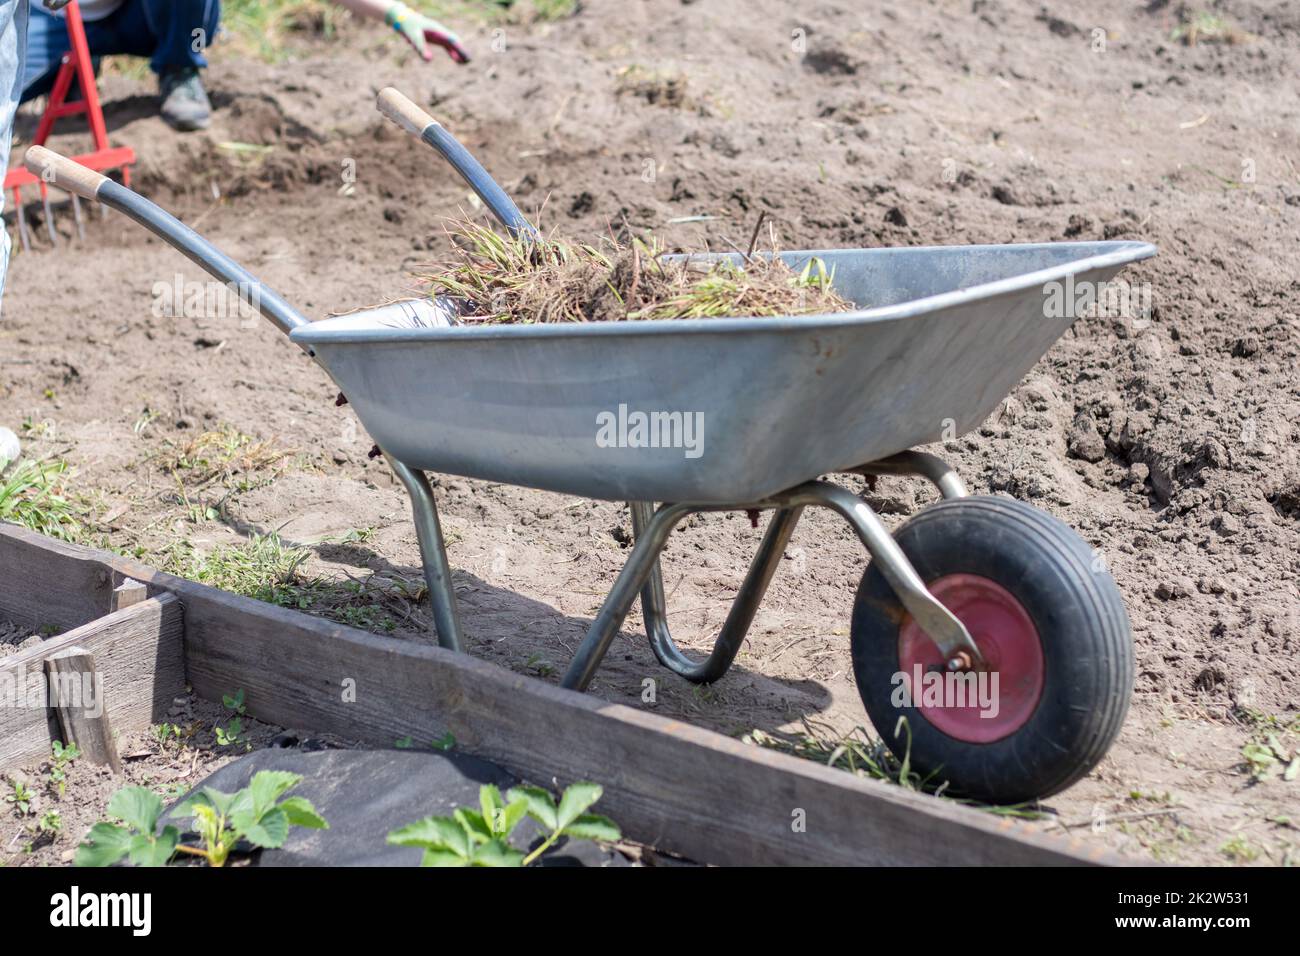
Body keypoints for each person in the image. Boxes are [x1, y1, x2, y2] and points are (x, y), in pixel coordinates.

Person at [22, 0, 469, 133]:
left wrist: (398, 14)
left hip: (152, 17)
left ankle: (179, 68)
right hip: (62, 19)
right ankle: (78, 69)